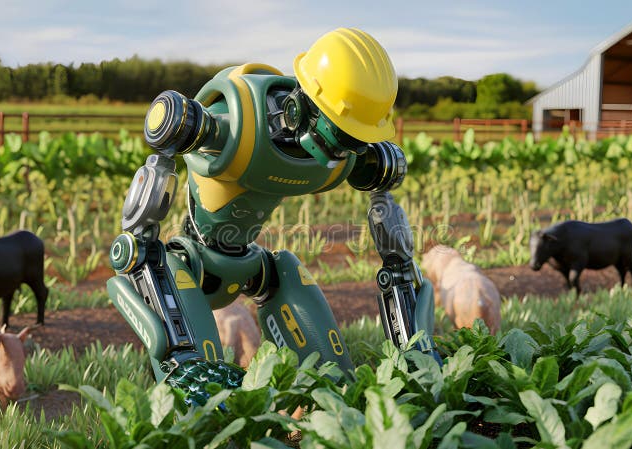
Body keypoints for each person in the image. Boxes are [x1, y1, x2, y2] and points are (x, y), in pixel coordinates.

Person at [106, 28, 438, 400]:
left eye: (355, 140)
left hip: (256, 266)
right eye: (339, 134)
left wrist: (411, 326)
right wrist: (139, 250)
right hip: (190, 261)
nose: (342, 152)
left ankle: (328, 410)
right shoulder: (232, 125)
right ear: (301, 106)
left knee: (328, 371)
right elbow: (165, 136)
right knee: (201, 387)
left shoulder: (343, 158)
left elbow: (385, 213)